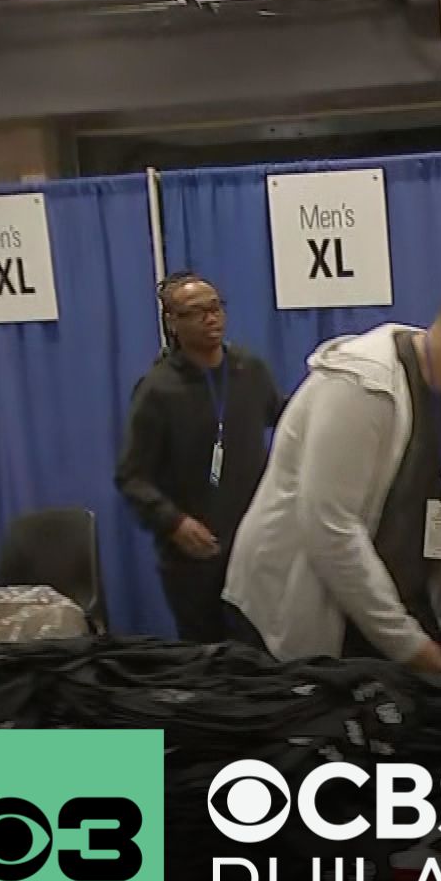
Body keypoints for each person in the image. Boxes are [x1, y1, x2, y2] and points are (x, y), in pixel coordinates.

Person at [222, 259, 441, 676]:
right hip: (292, 610)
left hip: (380, 610)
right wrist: (410, 645)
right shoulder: (362, 385)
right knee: (278, 736)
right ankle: (130, 745)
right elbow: (330, 527)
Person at [115, 272, 285, 642]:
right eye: (196, 312)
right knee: (211, 664)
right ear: (172, 323)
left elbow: (289, 425)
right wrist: (174, 523)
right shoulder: (157, 390)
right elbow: (131, 476)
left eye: (216, 307)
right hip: (195, 557)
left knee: (263, 657)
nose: (212, 318)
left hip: (254, 548)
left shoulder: (250, 371)